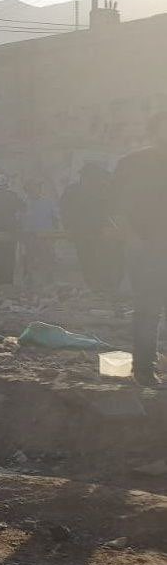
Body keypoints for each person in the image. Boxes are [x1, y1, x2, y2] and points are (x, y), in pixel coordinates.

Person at [113, 112, 167, 387]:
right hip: (147, 248)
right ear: (154, 130)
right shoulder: (134, 163)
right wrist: (133, 239)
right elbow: (116, 206)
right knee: (148, 309)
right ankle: (145, 369)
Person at [60, 166, 123, 293]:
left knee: (105, 260)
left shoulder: (103, 190)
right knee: (87, 260)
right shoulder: (72, 191)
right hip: (81, 232)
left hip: (101, 232)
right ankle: (94, 286)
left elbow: (111, 209)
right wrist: (68, 228)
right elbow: (65, 210)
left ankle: (105, 286)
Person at [20, 180, 58, 285]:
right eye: (31, 188)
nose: (34, 190)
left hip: (46, 236)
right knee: (29, 259)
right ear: (27, 190)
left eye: (37, 187)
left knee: (47, 259)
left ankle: (48, 281)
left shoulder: (48, 202)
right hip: (29, 237)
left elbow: (55, 219)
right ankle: (28, 281)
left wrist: (54, 235)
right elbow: (19, 220)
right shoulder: (23, 203)